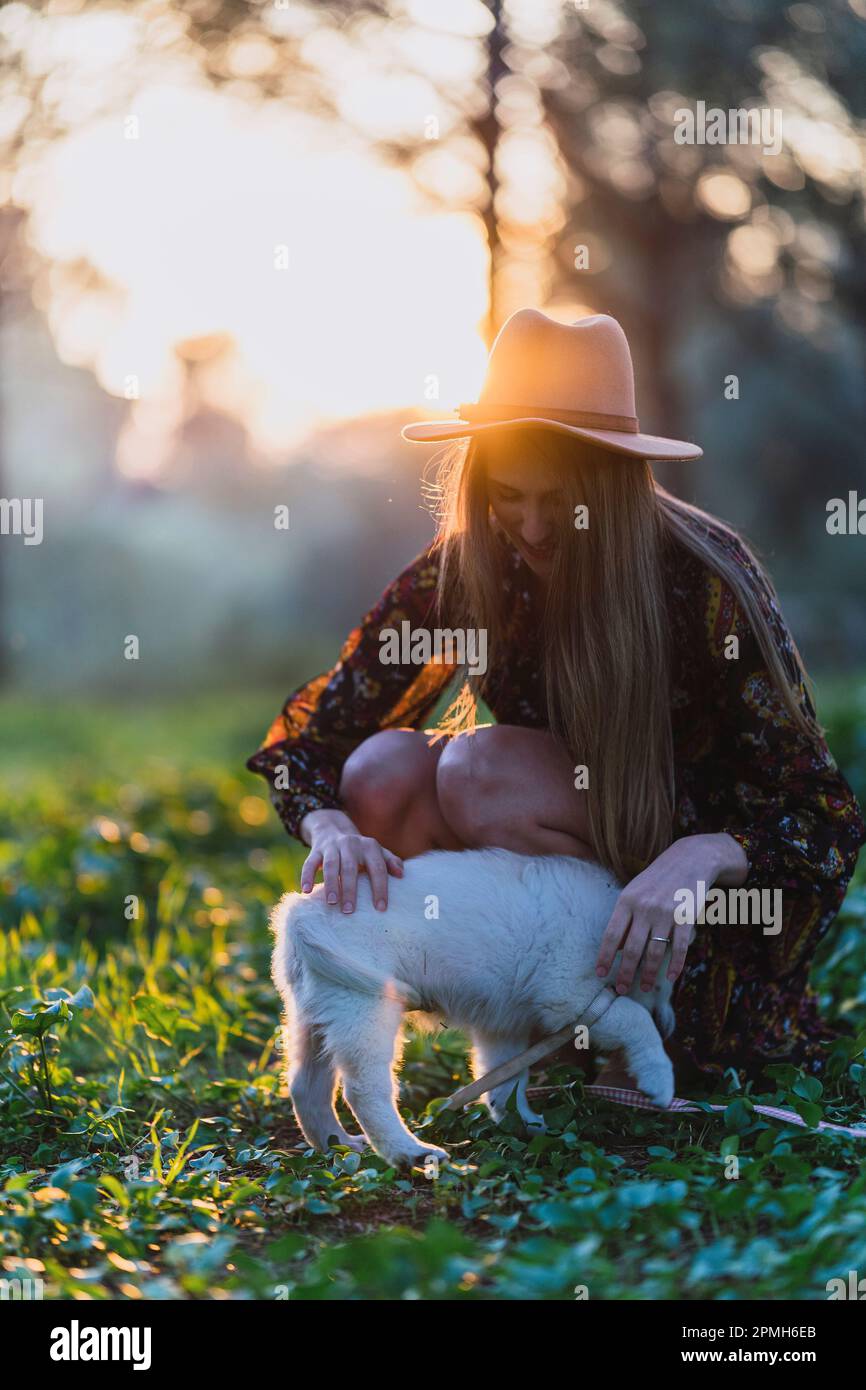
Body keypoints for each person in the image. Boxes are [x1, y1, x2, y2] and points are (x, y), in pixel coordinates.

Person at [248, 309, 865, 1088]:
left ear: (610, 482)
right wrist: (331, 827)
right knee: (380, 771)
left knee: (480, 769)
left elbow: (822, 817)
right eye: (509, 495)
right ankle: (537, 1006)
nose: (532, 527)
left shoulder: (702, 578)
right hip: (561, 898)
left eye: (560, 500)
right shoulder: (472, 562)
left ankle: (638, 1007)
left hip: (692, 910)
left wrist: (700, 854)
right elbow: (314, 744)